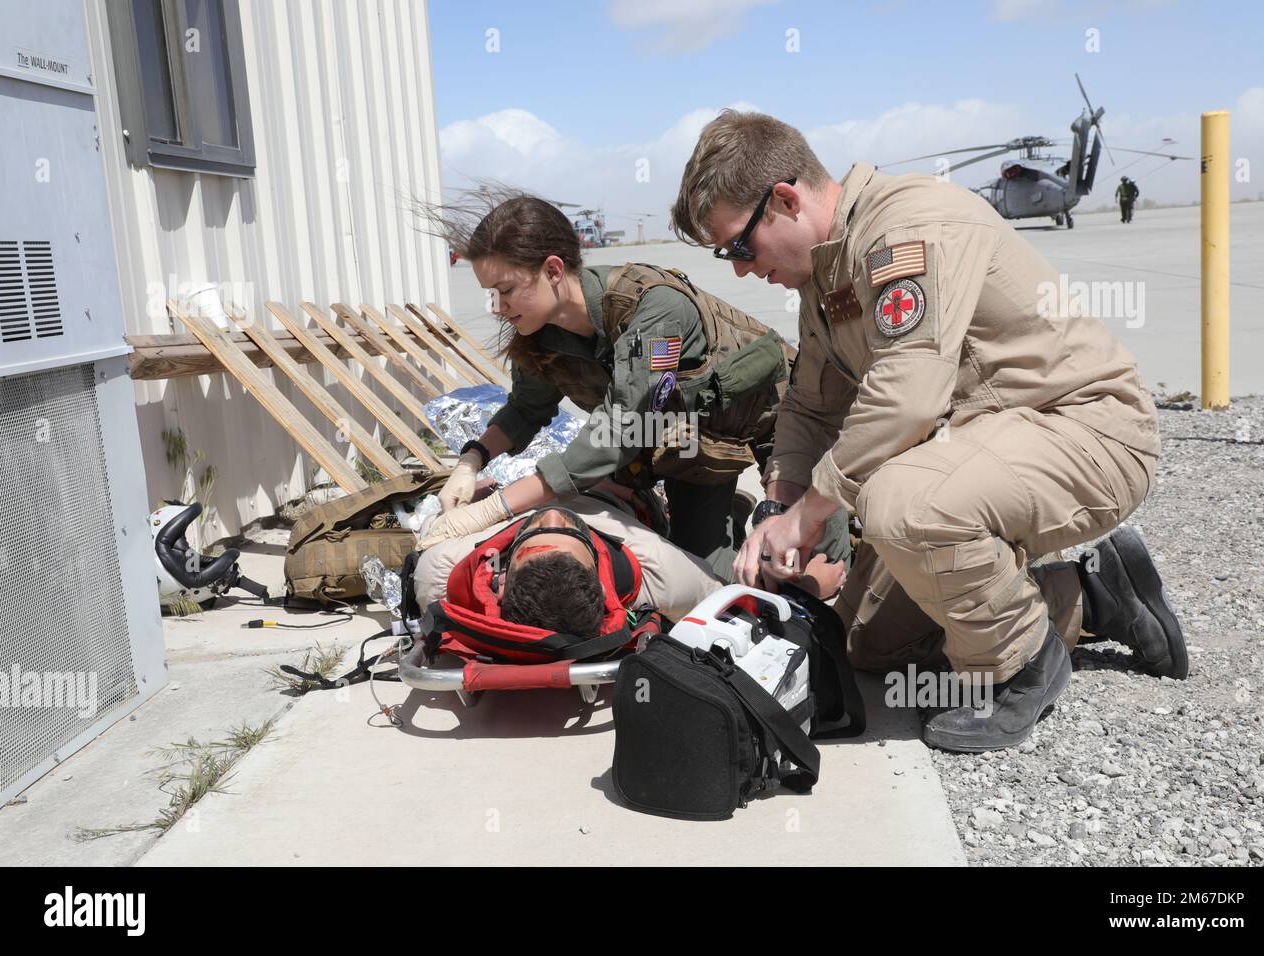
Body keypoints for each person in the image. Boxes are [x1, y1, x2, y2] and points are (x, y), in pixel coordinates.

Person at [670, 110, 1187, 753]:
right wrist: (775, 508)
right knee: (866, 639)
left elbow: (907, 399)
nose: (741, 270)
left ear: (784, 199)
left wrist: (806, 518)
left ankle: (1019, 667)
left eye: (739, 247)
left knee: (901, 506)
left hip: (1086, 427)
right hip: (985, 444)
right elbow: (808, 406)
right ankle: (1091, 593)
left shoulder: (905, 229)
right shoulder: (825, 273)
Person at [414, 189, 850, 580]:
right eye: (490, 293)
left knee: (817, 576)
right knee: (706, 581)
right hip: (701, 447)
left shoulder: (654, 309)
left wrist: (496, 506)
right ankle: (732, 521)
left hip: (783, 424)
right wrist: (470, 463)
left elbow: (619, 429)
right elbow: (527, 408)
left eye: (505, 290)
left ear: (552, 269)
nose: (496, 307)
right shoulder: (540, 335)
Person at [413, 485, 847, 629]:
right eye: (566, 533)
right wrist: (808, 587)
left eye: (538, 533)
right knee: (721, 548)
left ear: (502, 576)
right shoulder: (664, 574)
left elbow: (429, 547)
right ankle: (722, 512)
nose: (551, 515)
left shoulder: (443, 573)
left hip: (533, 488)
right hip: (624, 504)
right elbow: (744, 600)